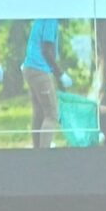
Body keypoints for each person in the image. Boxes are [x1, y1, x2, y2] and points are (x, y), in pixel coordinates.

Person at [23, 15, 61, 149]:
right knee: (51, 114)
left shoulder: (40, 17)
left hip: (29, 67)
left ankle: (37, 151)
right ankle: (44, 152)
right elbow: (46, 49)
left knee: (38, 113)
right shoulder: (51, 18)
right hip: (39, 68)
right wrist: (60, 74)